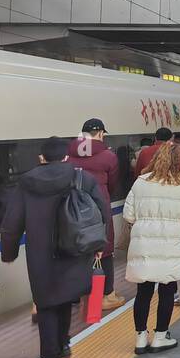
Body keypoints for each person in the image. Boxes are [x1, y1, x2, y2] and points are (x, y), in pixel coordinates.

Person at [0, 137, 108, 358]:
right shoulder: (82, 178)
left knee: (47, 304)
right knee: (66, 298)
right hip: (75, 249)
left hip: (41, 254)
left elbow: (12, 222)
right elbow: (102, 211)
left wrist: (9, 252)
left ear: (42, 158)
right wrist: (101, 244)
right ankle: (64, 344)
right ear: (66, 157)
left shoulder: (26, 183)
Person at [123, 142, 180, 355]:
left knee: (143, 291)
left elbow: (128, 215)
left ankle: (140, 338)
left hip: (144, 242)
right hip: (172, 243)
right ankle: (160, 336)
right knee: (167, 289)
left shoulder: (141, 182)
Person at [66, 119, 123, 312]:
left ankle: (76, 295)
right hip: (99, 207)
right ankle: (106, 295)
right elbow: (114, 184)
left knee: (76, 248)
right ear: (99, 134)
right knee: (104, 250)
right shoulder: (108, 156)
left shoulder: (68, 154)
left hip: (72, 207)